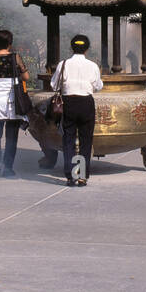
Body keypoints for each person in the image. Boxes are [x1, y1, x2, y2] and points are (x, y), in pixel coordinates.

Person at [51, 33, 103, 186]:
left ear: (71, 47)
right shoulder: (93, 66)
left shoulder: (63, 64)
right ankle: (82, 176)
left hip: (69, 103)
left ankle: (70, 175)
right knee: (86, 140)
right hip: (86, 103)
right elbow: (98, 86)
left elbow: (54, 85)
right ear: (87, 49)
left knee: (69, 139)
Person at [0, 29, 30, 177]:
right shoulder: (16, 58)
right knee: (11, 137)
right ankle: (8, 168)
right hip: (12, 101)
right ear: (10, 43)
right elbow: (26, 77)